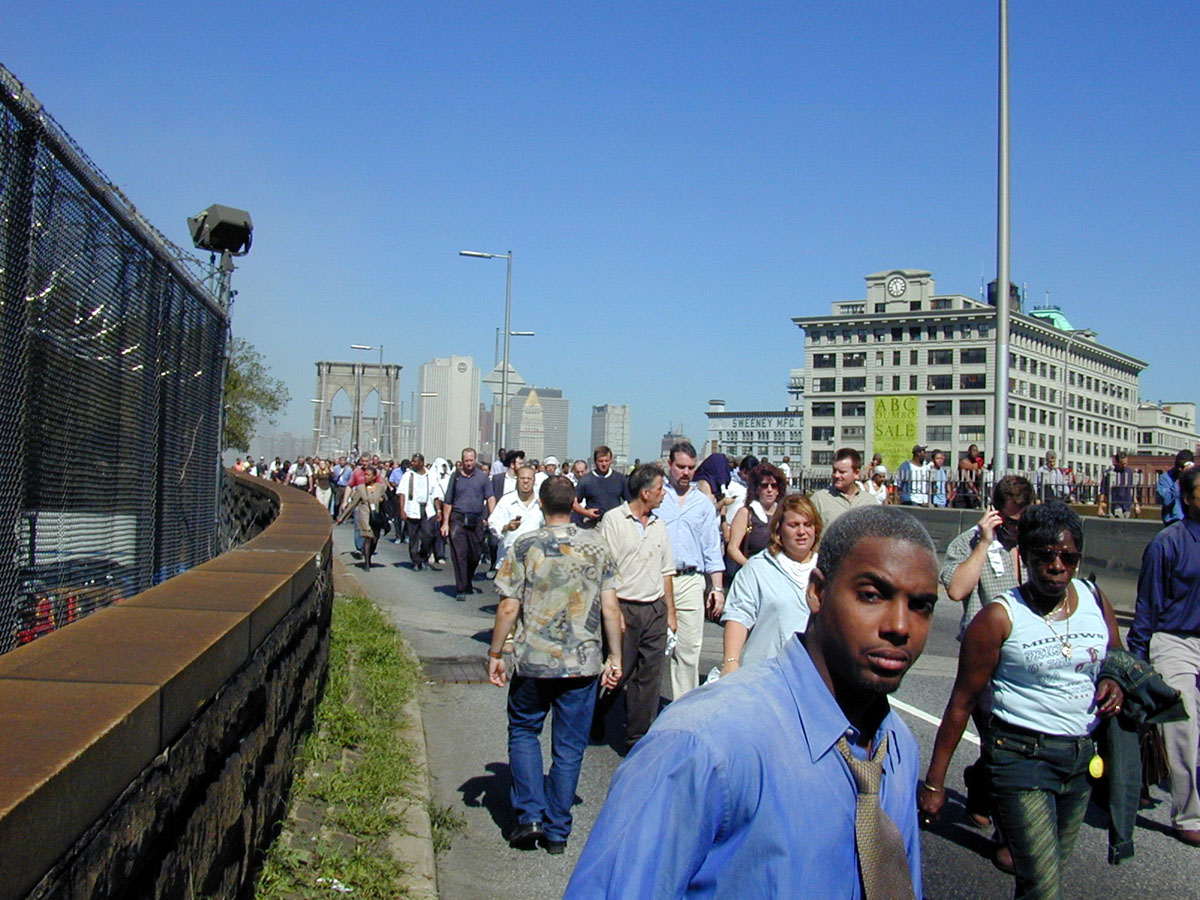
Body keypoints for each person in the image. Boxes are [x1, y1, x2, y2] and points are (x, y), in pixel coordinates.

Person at [565, 506, 938, 898]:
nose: (899, 626)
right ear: (817, 592)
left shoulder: (897, 750)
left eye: (921, 606)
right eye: (872, 596)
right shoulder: (704, 744)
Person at [920, 503, 1125, 899]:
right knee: (1043, 884)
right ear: (1025, 559)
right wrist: (934, 782)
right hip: (1020, 758)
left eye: (1068, 556)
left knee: (1046, 877)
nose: (1056, 565)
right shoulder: (998, 618)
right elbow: (961, 702)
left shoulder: (1094, 598)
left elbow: (1116, 652)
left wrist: (1114, 679)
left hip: (1081, 760)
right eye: (1044, 555)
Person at [487, 476, 623, 854]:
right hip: (583, 662)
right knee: (569, 747)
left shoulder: (525, 546)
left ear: (542, 504)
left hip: (534, 661)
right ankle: (559, 829)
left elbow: (508, 606)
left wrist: (496, 654)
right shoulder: (598, 546)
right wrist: (616, 657)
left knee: (525, 729)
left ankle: (530, 816)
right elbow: (611, 608)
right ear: (574, 502)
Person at [1129, 464, 1200, 846]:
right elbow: (1147, 605)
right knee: (1183, 724)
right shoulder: (1167, 543)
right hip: (1174, 640)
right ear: (1187, 498)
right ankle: (1189, 814)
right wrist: (1137, 661)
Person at [593, 464, 676, 750]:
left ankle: (637, 737)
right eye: (660, 489)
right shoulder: (614, 521)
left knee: (650, 677)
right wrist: (613, 611)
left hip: (654, 608)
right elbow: (606, 571)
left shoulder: (659, 525)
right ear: (645, 493)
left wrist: (670, 614)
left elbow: (667, 571)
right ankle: (596, 713)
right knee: (619, 672)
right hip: (624, 607)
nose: (664, 494)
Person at [720, 493, 821, 676]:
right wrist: (731, 662)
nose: (801, 532)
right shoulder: (757, 568)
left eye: (808, 525)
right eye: (793, 525)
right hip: (765, 673)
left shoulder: (828, 570)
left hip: (814, 674)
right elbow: (739, 616)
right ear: (778, 530)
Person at [654, 442, 725, 699]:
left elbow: (712, 549)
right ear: (669, 466)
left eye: (691, 468)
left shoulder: (703, 504)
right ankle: (644, 710)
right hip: (658, 579)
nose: (686, 472)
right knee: (653, 648)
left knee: (689, 649)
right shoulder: (657, 498)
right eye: (681, 467)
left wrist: (717, 588)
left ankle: (683, 705)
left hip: (691, 579)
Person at [440, 448, 496, 601]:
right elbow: (448, 502)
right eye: (466, 461)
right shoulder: (455, 477)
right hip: (458, 520)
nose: (469, 463)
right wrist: (445, 523)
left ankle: (467, 580)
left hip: (476, 520)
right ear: (462, 461)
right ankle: (461, 588)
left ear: (475, 460)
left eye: (471, 460)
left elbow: (490, 498)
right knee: (460, 555)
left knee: (475, 554)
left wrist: (493, 518)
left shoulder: (482, 478)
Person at [725, 462, 785, 574]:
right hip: (752, 574)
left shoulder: (784, 514)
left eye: (774, 485)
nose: (769, 490)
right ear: (757, 489)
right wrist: (752, 567)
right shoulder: (746, 513)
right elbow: (732, 548)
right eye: (764, 485)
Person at [489, 465, 545, 566]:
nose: (526, 481)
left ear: (534, 481)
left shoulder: (541, 503)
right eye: (522, 478)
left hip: (534, 560)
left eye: (529, 478)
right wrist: (507, 527)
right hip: (508, 559)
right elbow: (493, 523)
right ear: (517, 480)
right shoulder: (507, 501)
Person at [336, 466, 388, 570]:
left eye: (368, 475)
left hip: (376, 516)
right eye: (365, 475)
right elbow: (353, 504)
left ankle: (369, 553)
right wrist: (342, 517)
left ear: (374, 477)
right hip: (364, 515)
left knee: (375, 539)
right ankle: (367, 563)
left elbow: (386, 500)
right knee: (368, 537)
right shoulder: (360, 488)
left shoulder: (380, 487)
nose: (365, 477)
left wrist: (383, 500)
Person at [810, 447, 875, 528]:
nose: (836, 476)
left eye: (842, 472)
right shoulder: (819, 500)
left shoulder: (870, 502)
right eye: (834, 471)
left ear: (856, 473)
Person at [396, 453, 441, 570]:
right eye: (412, 461)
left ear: (421, 463)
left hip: (427, 509)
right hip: (412, 509)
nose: (412, 463)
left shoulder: (430, 475)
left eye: (415, 461)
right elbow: (402, 493)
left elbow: (435, 494)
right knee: (413, 537)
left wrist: (439, 511)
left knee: (428, 535)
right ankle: (415, 561)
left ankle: (423, 555)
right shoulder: (408, 475)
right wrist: (402, 510)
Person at [573, 445, 629, 528]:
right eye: (601, 461)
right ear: (595, 461)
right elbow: (574, 503)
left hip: (615, 524)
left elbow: (630, 502)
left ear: (611, 461)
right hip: (594, 525)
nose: (604, 464)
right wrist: (586, 512)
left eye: (607, 461)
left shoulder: (620, 479)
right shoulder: (586, 480)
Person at [1155, 449, 1194, 526]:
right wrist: (1179, 480)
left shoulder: (1196, 479)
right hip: (1173, 522)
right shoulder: (1165, 478)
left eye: (1182, 466)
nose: (1180, 469)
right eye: (1178, 465)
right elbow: (1167, 500)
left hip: (1192, 522)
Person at [1098, 450, 1140, 518]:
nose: (1125, 465)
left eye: (1126, 463)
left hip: (1127, 503)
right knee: (1118, 516)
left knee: (1126, 519)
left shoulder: (1129, 472)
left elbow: (1132, 489)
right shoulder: (1110, 473)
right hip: (1115, 502)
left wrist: (1136, 504)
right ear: (1117, 462)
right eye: (1122, 464)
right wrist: (1100, 508)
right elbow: (1102, 491)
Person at [954, 444, 985, 509]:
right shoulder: (964, 462)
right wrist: (977, 493)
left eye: (976, 451)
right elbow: (968, 479)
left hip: (974, 491)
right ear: (969, 452)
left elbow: (979, 477)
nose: (975, 453)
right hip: (963, 491)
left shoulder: (977, 463)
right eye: (973, 451)